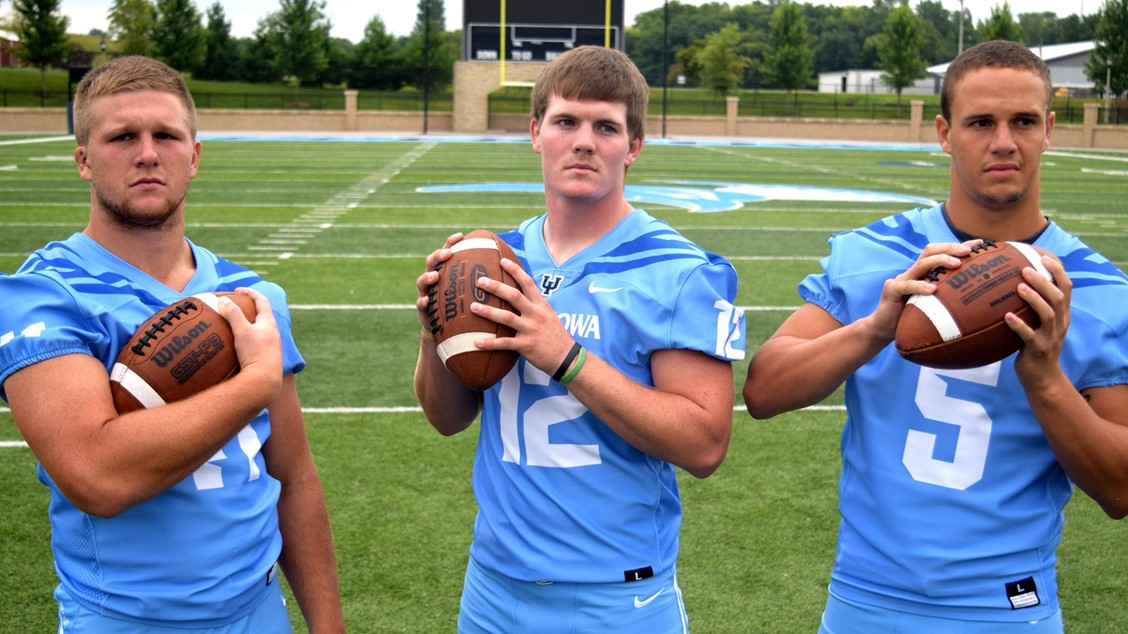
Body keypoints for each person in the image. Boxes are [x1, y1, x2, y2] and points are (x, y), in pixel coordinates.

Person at [743, 39, 1128, 633]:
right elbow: (764, 391)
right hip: (865, 597)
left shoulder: (1099, 289)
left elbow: (1120, 490)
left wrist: (1046, 378)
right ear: (945, 133)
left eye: (1023, 121)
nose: (1004, 142)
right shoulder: (876, 252)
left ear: (1049, 129)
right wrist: (874, 328)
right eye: (980, 123)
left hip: (1006, 606)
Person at [0, 56, 343, 632]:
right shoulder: (42, 295)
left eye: (166, 135)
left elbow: (294, 476)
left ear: (195, 155)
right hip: (126, 620)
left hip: (259, 612)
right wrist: (256, 381)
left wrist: (328, 627)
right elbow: (96, 477)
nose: (147, 153)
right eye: (121, 137)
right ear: (83, 159)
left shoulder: (252, 294)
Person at [413, 46, 746, 633]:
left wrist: (566, 357)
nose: (585, 141)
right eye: (567, 121)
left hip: (616, 600)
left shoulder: (678, 270)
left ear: (633, 146)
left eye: (607, 127)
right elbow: (447, 419)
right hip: (493, 587)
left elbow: (704, 445)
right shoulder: (496, 258)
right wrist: (436, 334)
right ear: (536, 131)